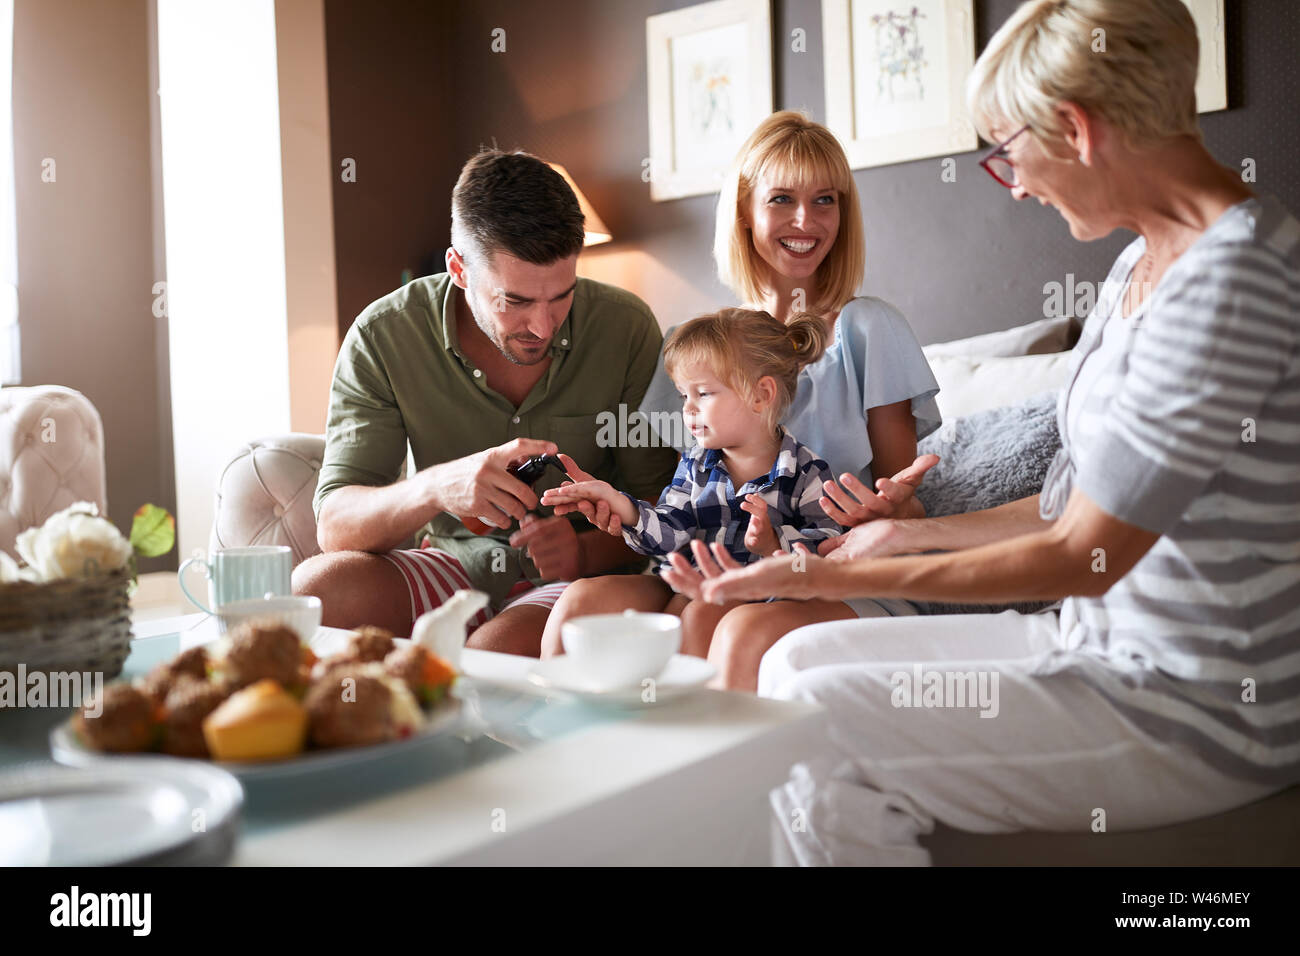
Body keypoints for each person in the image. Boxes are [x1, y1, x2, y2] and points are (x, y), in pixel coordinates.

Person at [680, 0, 1299, 864]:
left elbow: (1088, 551)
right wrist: (908, 533)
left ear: (1076, 131)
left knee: (818, 727)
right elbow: (1066, 506)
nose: (1018, 183)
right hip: (1089, 640)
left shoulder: (1235, 280)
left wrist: (814, 576)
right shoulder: (1138, 263)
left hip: (1189, 699)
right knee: (793, 668)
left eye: (1008, 152)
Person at [544, 110, 943, 690]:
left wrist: (890, 508)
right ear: (744, 211)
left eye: (825, 200)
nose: (806, 220)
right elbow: (683, 496)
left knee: (712, 617)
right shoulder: (701, 344)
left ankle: (706, 778)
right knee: (581, 607)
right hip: (708, 561)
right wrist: (618, 509)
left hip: (825, 566)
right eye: (781, 198)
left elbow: (907, 509)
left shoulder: (868, 328)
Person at [293, 149, 677, 655]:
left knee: (489, 655)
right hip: (456, 562)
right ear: (459, 269)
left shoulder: (624, 327)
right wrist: (436, 487)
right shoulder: (384, 334)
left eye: (561, 295)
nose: (542, 326)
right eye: (515, 301)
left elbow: (667, 508)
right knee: (315, 593)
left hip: (583, 581)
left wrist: (582, 551)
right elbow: (336, 525)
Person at [538, 308, 841, 658]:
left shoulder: (806, 472)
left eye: (703, 394)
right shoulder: (694, 464)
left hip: (753, 595)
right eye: (684, 395)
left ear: (761, 395)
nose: (688, 409)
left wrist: (774, 544)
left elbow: (828, 550)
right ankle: (556, 704)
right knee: (580, 599)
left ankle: (666, 709)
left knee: (699, 616)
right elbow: (670, 532)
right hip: (679, 585)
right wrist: (625, 509)